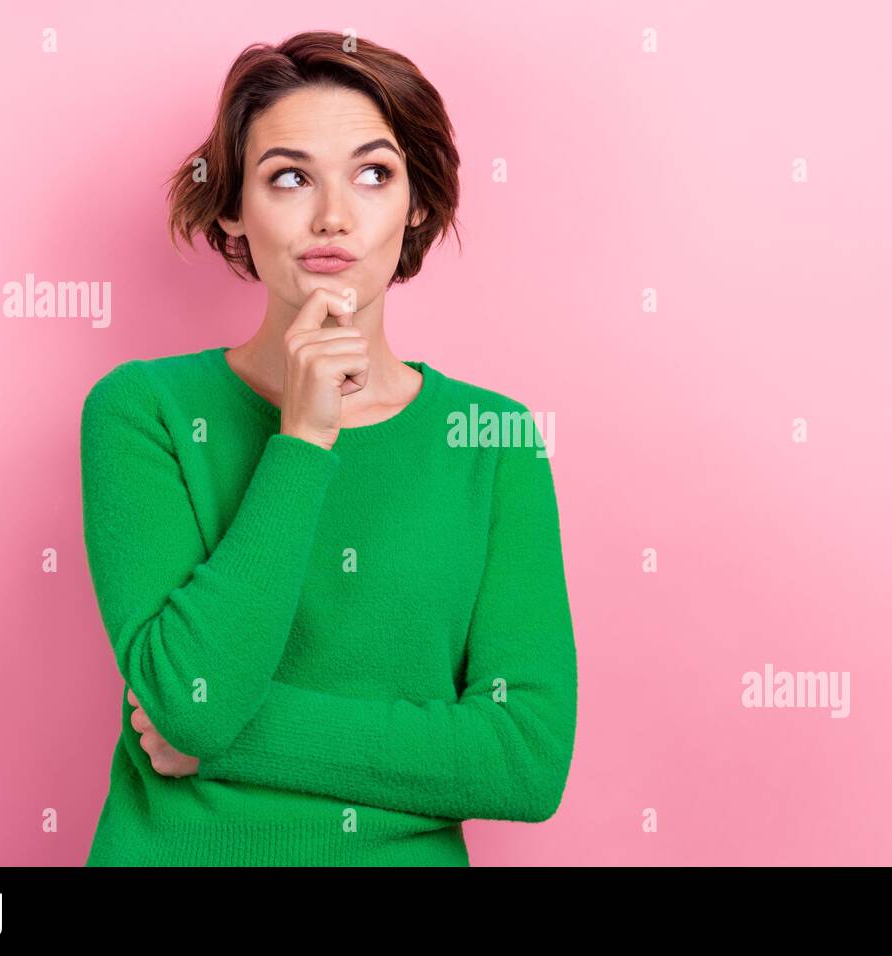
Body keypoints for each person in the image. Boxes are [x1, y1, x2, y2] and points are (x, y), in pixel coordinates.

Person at [79, 31, 578, 866]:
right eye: (289, 177)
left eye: (374, 173)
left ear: (417, 202)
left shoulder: (493, 441)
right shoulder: (143, 412)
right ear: (234, 206)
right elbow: (194, 705)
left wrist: (235, 738)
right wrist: (304, 439)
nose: (333, 217)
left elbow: (524, 760)